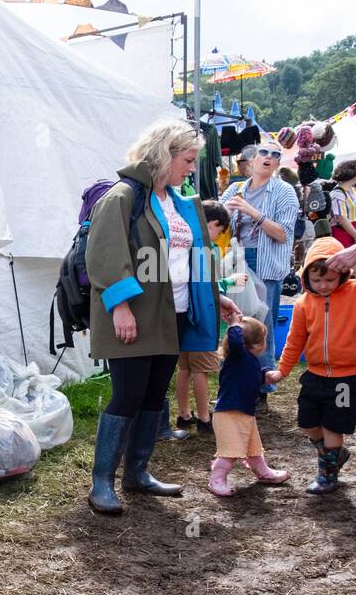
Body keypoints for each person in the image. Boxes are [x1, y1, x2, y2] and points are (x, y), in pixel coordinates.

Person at [84, 119, 238, 514]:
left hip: (175, 313)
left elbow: (191, 257)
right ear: (163, 153)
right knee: (128, 395)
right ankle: (102, 482)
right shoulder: (122, 196)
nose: (192, 168)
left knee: (154, 396)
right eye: (187, 160)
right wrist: (120, 306)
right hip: (133, 314)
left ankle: (137, 474)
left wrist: (213, 295)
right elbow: (104, 254)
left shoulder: (179, 201)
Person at [267, 238, 356, 495]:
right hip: (315, 375)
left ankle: (327, 475)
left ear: (343, 273)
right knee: (307, 423)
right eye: (317, 280)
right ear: (306, 278)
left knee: (334, 426)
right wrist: (283, 370)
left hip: (348, 377)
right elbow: (294, 341)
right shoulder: (303, 303)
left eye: (330, 279)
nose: (323, 285)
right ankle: (335, 455)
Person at [219, 140, 300, 410]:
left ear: (278, 164)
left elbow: (284, 234)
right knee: (234, 321)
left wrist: (254, 213)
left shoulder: (285, 191)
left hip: (266, 264)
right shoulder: (235, 188)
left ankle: (260, 387)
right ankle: (234, 382)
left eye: (275, 155)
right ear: (251, 161)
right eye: (263, 153)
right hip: (236, 262)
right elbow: (215, 222)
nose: (268, 157)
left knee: (260, 326)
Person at [175, 201, 249, 433]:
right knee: (201, 370)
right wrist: (225, 290)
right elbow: (208, 284)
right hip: (202, 317)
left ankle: (184, 414)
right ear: (213, 224)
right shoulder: (206, 249)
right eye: (220, 231)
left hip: (183, 314)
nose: (218, 237)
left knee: (184, 368)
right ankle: (205, 418)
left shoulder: (183, 246)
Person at [208, 317, 289, 496]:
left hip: (245, 413)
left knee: (253, 448)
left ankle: (263, 472)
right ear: (256, 344)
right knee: (230, 452)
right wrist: (235, 325)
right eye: (264, 340)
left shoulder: (249, 360)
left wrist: (265, 375)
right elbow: (237, 342)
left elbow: (250, 376)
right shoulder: (239, 356)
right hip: (229, 413)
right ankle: (217, 478)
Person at [329, 159, 356, 248]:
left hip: (355, 230)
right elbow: (341, 218)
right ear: (353, 174)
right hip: (343, 233)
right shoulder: (338, 193)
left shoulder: (353, 190)